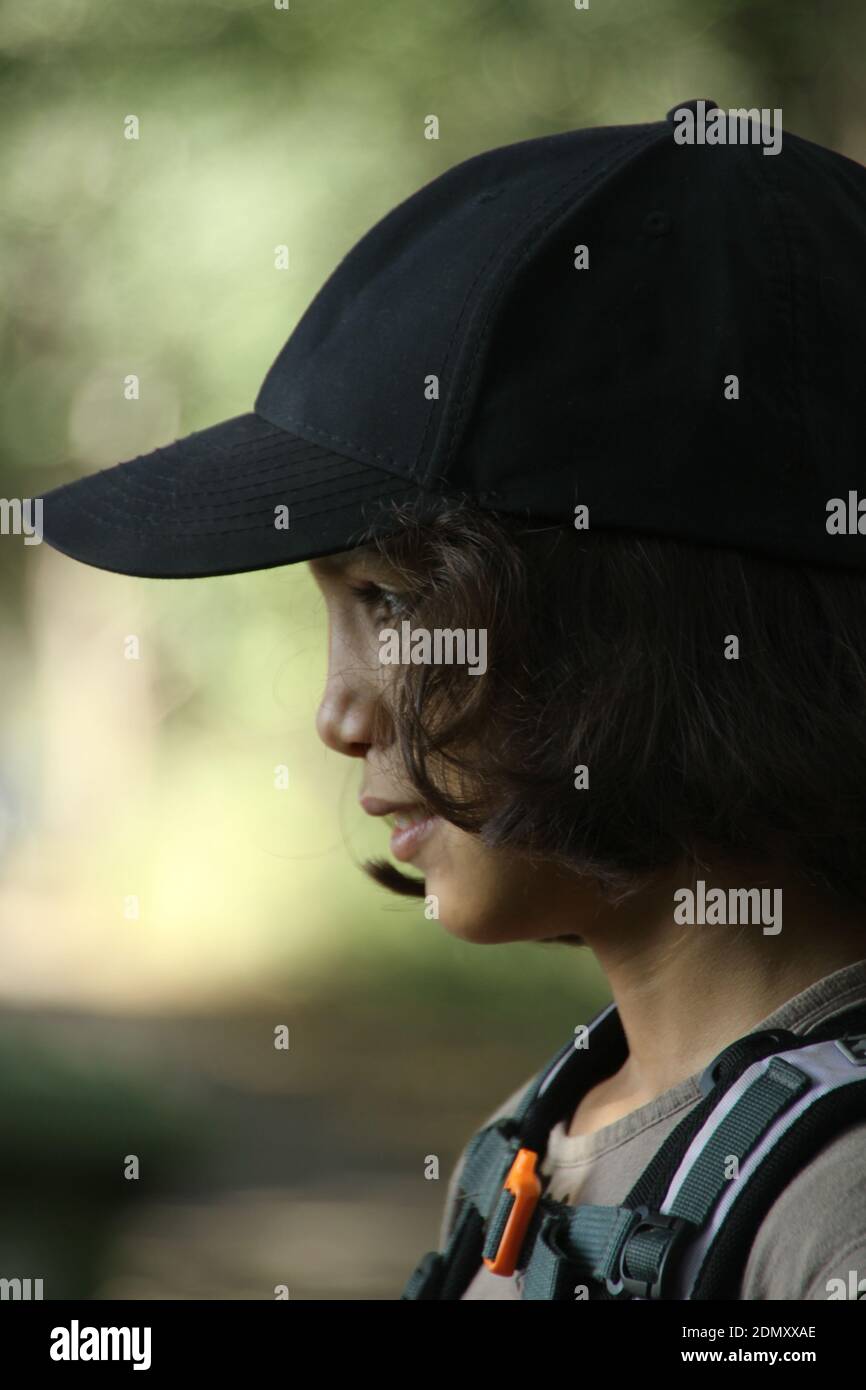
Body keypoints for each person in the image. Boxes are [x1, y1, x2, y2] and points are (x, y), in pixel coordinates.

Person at [36, 100, 866, 1300]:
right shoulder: (539, 1140)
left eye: (390, 601)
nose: (336, 715)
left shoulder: (829, 1213)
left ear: (641, 623)